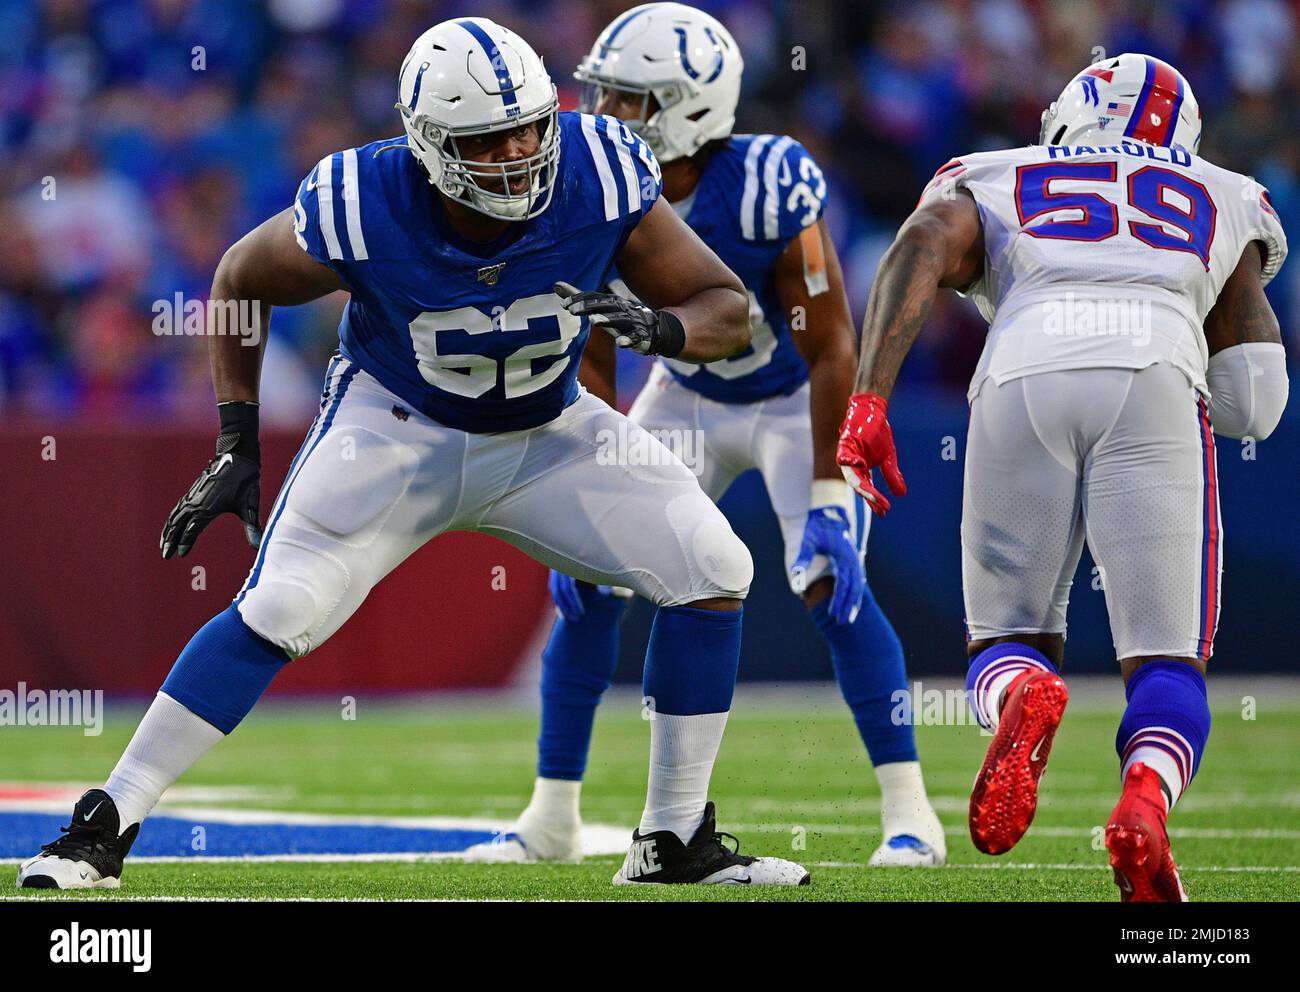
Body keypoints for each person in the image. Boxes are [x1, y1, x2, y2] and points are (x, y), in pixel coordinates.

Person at [18, 16, 809, 890]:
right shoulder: (364, 199)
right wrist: (237, 439)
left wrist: (662, 326)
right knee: (282, 605)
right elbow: (241, 275)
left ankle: (671, 843)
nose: (517, 153)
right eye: (486, 139)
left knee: (712, 564)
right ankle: (102, 827)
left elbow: (725, 305)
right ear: (429, 144)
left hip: (547, 433)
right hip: (396, 429)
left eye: (529, 127)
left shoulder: (604, 165)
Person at [466, 2, 943, 870]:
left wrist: (833, 491)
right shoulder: (593, 179)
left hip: (793, 400)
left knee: (830, 578)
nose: (603, 116)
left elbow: (830, 339)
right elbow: (593, 344)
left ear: (689, 106)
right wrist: (587, 472)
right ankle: (551, 816)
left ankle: (912, 814)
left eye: (627, 100)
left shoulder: (765, 184)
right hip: (682, 395)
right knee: (587, 581)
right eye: (600, 94)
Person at [837, 53, 1289, 900]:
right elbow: (1257, 401)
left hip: (1021, 369)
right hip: (1154, 375)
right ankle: (1145, 803)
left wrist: (870, 401)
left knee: (1002, 641)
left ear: (1068, 115)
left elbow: (923, 243)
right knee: (1167, 663)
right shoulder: (1227, 193)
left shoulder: (1000, 172)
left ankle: (1026, 689)